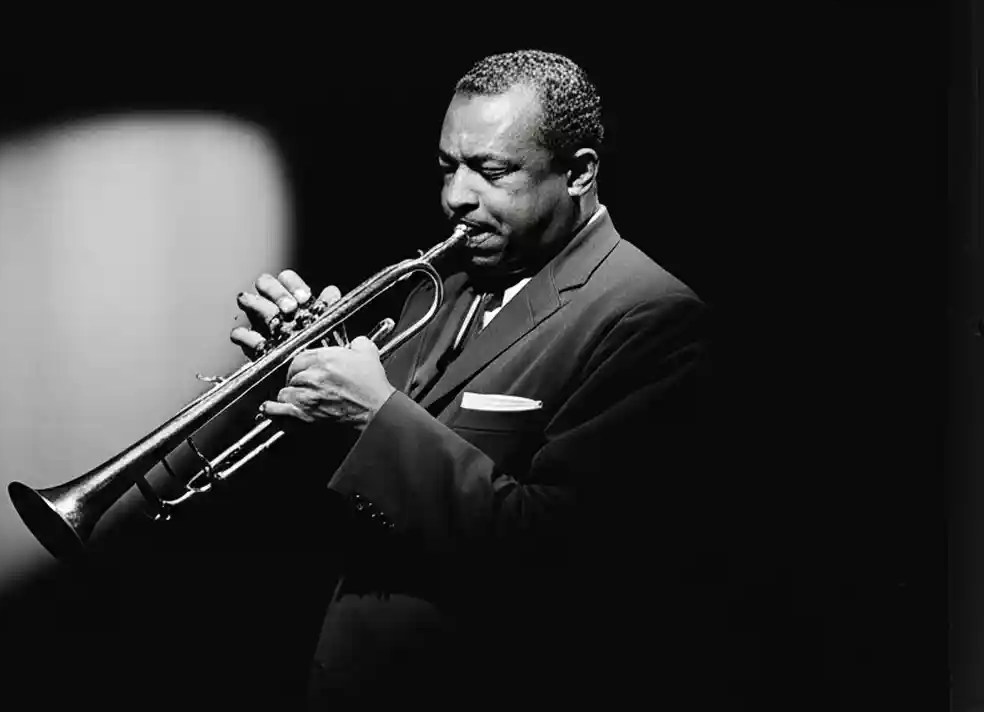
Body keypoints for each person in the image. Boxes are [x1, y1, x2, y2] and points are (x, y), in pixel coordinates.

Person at [231, 49, 718, 709]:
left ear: (578, 173)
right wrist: (315, 365)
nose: (456, 197)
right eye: (447, 167)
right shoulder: (445, 285)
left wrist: (372, 414)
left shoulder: (651, 318)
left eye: (491, 171)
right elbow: (376, 495)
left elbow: (558, 555)